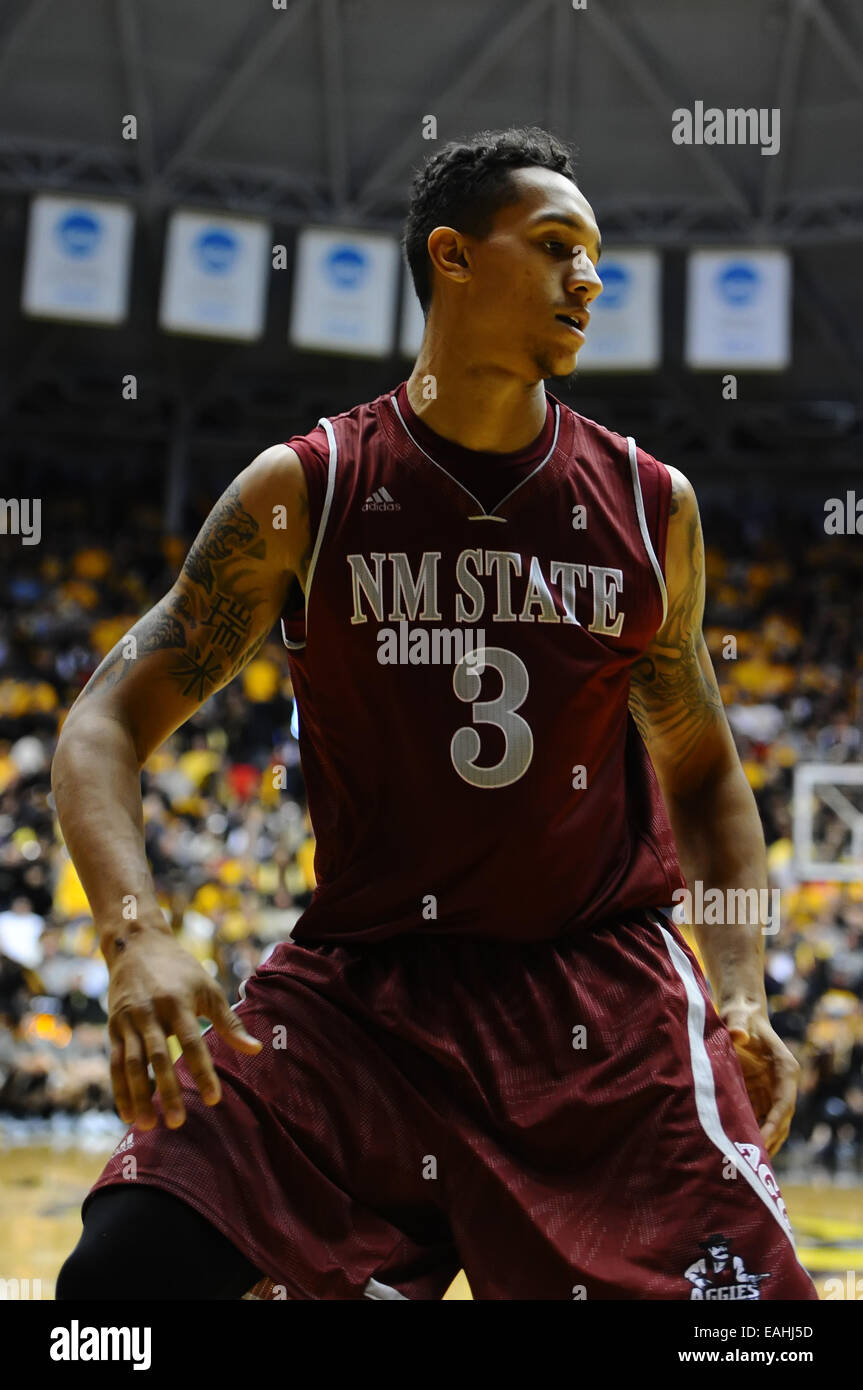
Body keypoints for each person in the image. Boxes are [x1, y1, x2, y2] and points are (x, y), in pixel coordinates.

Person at [53, 127, 816, 1300]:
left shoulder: (646, 503)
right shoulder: (306, 490)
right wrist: (135, 930)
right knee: (119, 1293)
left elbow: (706, 775)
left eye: (596, 254)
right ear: (451, 257)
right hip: (369, 995)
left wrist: (743, 987)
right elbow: (103, 724)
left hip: (598, 1006)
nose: (590, 278)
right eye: (556, 245)